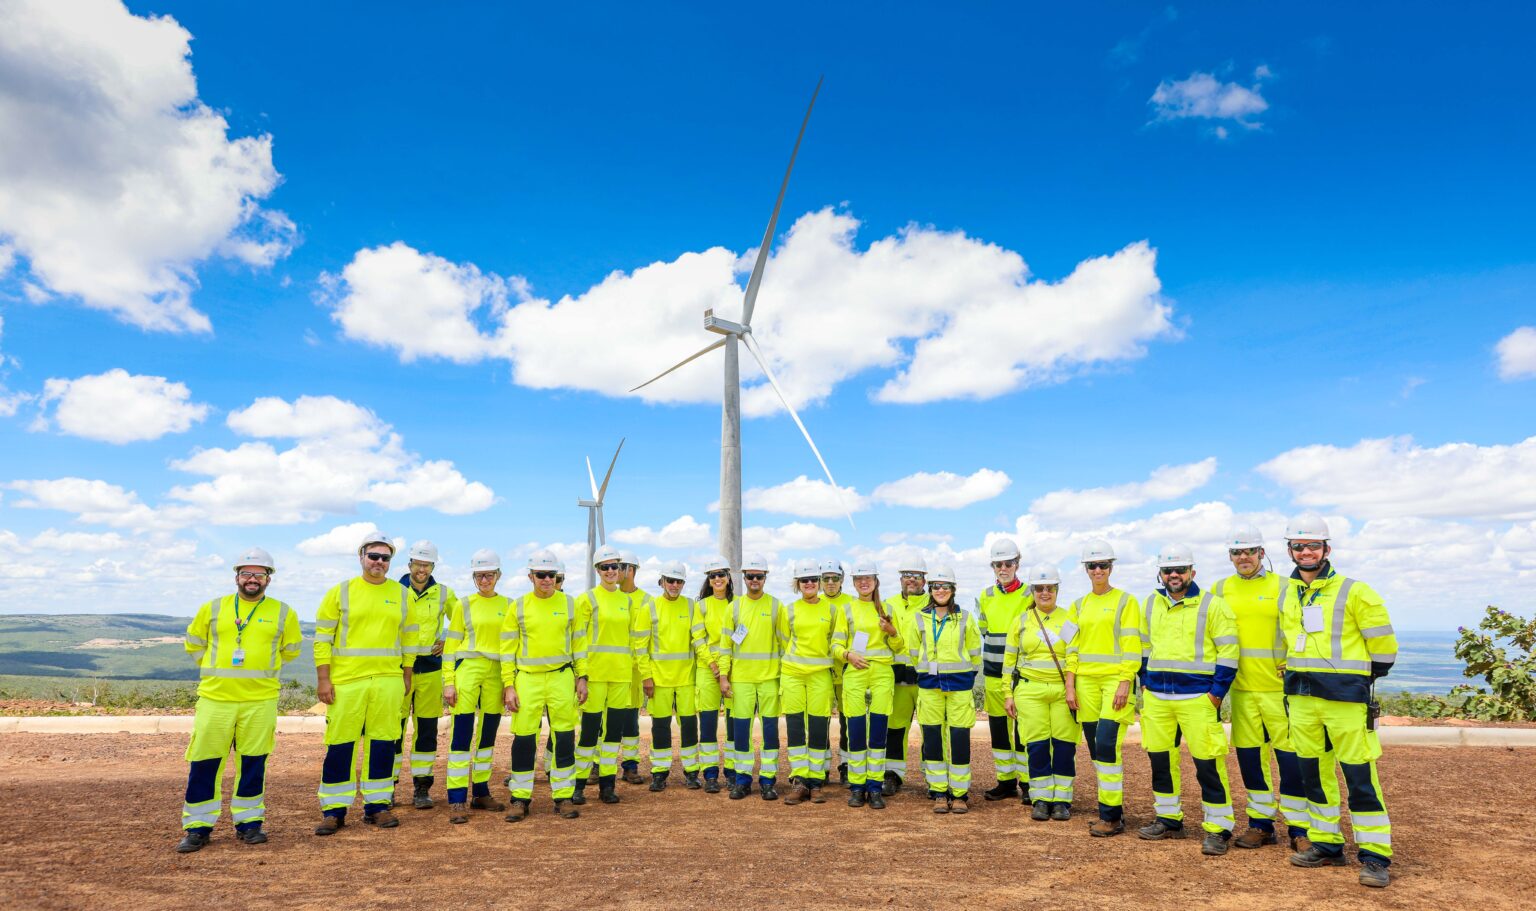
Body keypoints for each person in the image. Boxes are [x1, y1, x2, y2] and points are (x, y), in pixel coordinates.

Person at [1278, 513, 1396, 888]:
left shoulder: (1355, 591)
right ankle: (1327, 845)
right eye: (1299, 546)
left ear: (1326, 549)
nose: (1306, 551)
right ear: (1290, 551)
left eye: (1313, 545)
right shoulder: (1288, 593)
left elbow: (1384, 648)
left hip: (1345, 699)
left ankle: (1375, 856)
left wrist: (1357, 680)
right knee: (1314, 776)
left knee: (1360, 777)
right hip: (1301, 698)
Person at [176, 548, 302, 852]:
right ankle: (198, 828)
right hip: (215, 699)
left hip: (260, 701)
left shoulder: (283, 612)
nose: (252, 579)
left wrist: (257, 673)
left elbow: (291, 650)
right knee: (205, 763)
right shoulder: (214, 608)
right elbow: (194, 644)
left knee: (253, 763)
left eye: (260, 573)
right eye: (247, 572)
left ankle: (249, 825)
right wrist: (216, 673)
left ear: (269, 579)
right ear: (236, 576)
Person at [1137, 543, 1240, 856]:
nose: (1174, 575)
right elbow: (1142, 646)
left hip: (1198, 697)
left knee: (1207, 763)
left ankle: (1218, 828)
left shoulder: (1213, 605)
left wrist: (1216, 694)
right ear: (1161, 573)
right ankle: (1169, 819)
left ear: (1192, 572)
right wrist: (1145, 682)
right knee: (1160, 761)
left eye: (1180, 569)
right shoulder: (1151, 604)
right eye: (1168, 570)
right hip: (1157, 697)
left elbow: (1229, 652)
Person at [313, 532, 419, 834]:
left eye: (385, 558)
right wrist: (324, 678)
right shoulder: (341, 592)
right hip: (347, 681)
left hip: (387, 681)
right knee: (340, 745)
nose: (379, 562)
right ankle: (334, 811)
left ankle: (378, 807)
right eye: (374, 556)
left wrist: (407, 672)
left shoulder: (401, 594)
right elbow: (322, 638)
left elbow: (410, 636)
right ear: (361, 557)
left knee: (384, 744)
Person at [1215, 525, 1310, 850]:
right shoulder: (1219, 589)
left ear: (1262, 553)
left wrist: (1296, 661)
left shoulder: (1285, 586)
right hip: (1241, 692)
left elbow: (1302, 629)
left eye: (1249, 551)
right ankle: (1260, 824)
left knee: (1290, 761)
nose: (1243, 557)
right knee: (1250, 760)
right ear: (1230, 556)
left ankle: (1300, 829)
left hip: (1279, 691)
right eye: (1237, 552)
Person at [1063, 539, 1142, 837]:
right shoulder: (1078, 605)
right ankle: (1111, 810)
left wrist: (1125, 681)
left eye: (1103, 565)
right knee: (1097, 750)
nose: (1098, 570)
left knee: (1108, 745)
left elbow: (1132, 645)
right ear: (1086, 569)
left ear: (1111, 567)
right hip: (1085, 686)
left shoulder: (1126, 601)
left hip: (1114, 684)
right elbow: (1071, 648)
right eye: (1092, 565)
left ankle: (1110, 816)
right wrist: (1070, 685)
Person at [502, 550, 584, 821]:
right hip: (527, 679)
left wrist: (582, 677)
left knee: (563, 738)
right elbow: (507, 649)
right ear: (530, 576)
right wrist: (508, 684)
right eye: (541, 575)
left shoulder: (570, 604)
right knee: (524, 740)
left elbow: (580, 645)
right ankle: (520, 798)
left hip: (562, 678)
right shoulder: (519, 606)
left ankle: (563, 797)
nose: (547, 580)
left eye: (552, 575)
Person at [572, 544, 647, 805]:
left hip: (621, 676)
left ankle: (607, 785)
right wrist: (581, 675)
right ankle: (578, 786)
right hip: (594, 676)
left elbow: (636, 640)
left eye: (616, 566)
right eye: (606, 567)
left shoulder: (627, 602)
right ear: (597, 570)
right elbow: (578, 641)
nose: (611, 571)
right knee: (589, 734)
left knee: (613, 735)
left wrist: (645, 673)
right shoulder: (587, 599)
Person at [1004, 563, 1078, 822]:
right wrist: (1008, 694)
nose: (1044, 593)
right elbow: (1009, 660)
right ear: (1032, 591)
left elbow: (1073, 655)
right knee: (1035, 746)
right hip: (1029, 690)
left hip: (1061, 692)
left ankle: (1062, 801)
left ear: (1057, 589)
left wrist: (1070, 687)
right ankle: (1041, 798)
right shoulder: (1021, 621)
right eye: (1039, 588)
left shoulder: (1069, 618)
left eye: (1049, 588)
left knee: (1064, 746)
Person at [440, 549, 509, 823]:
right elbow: (451, 645)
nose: (485, 579)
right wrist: (448, 681)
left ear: (498, 575)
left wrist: (509, 681)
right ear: (473, 577)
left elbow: (511, 646)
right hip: (468, 669)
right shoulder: (464, 605)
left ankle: (481, 792)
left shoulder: (509, 605)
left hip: (497, 672)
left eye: (490, 574)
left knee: (487, 737)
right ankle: (457, 798)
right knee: (462, 735)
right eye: (480, 575)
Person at [830, 559, 903, 809]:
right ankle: (857, 787)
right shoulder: (847, 609)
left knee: (878, 732)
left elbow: (899, 645)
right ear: (853, 582)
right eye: (859, 579)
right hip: (855, 671)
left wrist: (892, 631)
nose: (864, 582)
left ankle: (874, 788)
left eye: (868, 578)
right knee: (857, 732)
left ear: (875, 581)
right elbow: (836, 644)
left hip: (882, 671)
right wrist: (847, 655)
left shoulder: (886, 607)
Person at [391, 540, 458, 810]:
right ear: (409, 565)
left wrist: (449, 642)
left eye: (426, 564)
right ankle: (387, 787)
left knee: (427, 731)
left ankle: (422, 787)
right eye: (418, 563)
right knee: (392, 731)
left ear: (433, 566)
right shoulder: (393, 591)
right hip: (397, 671)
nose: (422, 569)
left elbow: (464, 623)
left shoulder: (443, 593)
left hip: (430, 669)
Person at [910, 564, 982, 814]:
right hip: (930, 688)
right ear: (930, 589)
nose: (940, 590)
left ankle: (960, 793)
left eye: (945, 586)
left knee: (959, 739)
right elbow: (912, 651)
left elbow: (974, 652)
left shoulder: (965, 618)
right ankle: (939, 791)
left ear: (953, 589)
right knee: (932, 739)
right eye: (936, 586)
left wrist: (966, 676)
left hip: (959, 687)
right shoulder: (919, 617)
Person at [641, 562, 711, 790]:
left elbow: (698, 639)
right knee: (660, 727)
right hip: (659, 681)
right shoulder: (650, 608)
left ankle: (691, 772)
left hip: (686, 680)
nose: (674, 585)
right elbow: (640, 647)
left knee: (690, 727)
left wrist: (711, 663)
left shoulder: (691, 607)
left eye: (679, 581)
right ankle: (659, 773)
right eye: (670, 580)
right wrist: (646, 677)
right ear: (661, 581)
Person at [722, 553, 782, 801]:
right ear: (744, 578)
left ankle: (768, 781)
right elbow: (725, 646)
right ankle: (743, 780)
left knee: (770, 733)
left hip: (769, 679)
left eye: (759, 576)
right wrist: (724, 676)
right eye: (750, 576)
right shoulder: (734, 608)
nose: (754, 579)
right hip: (742, 681)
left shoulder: (777, 606)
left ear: (765, 577)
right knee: (741, 732)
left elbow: (784, 645)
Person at [978, 538, 1034, 802]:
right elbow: (984, 629)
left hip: (1019, 674)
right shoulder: (985, 596)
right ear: (993, 566)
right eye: (998, 563)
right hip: (992, 672)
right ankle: (1006, 781)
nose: (1003, 568)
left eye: (1008, 563)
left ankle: (1028, 784)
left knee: (1023, 731)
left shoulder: (1029, 594)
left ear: (1017, 563)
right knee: (999, 729)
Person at [780, 559, 837, 805]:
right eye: (805, 580)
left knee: (817, 728)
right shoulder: (789, 610)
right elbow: (784, 639)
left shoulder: (832, 611)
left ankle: (815, 782)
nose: (810, 584)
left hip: (820, 676)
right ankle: (799, 780)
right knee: (794, 727)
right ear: (798, 584)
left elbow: (835, 640)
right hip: (792, 673)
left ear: (820, 583)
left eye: (814, 579)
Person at [881, 555, 930, 796]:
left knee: (932, 728)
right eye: (907, 575)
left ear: (924, 579)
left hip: (926, 678)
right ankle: (892, 774)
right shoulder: (888, 604)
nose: (911, 580)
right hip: (897, 677)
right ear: (900, 578)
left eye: (917, 575)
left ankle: (934, 775)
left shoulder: (935, 603)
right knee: (895, 727)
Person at [694, 556, 735, 792]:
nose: (717, 579)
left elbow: (741, 638)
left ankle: (731, 772)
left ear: (728, 577)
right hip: (707, 671)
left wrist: (726, 669)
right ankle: (710, 774)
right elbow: (698, 639)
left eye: (721, 574)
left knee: (732, 725)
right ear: (708, 580)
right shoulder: (701, 606)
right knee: (708, 725)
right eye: (713, 575)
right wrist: (713, 665)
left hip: (732, 672)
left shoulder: (738, 604)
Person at [818, 558, 853, 786]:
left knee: (848, 722)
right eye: (826, 579)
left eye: (835, 578)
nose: (830, 583)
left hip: (847, 672)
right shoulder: (814, 602)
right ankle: (820, 768)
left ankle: (847, 766)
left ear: (842, 580)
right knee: (820, 721)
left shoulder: (852, 603)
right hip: (821, 672)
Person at [617, 550, 650, 784]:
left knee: (630, 720)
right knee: (604, 722)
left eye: (619, 567)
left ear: (631, 570)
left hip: (634, 672)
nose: (614, 572)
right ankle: (599, 765)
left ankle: (630, 766)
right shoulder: (607, 597)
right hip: (609, 669)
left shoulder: (648, 601)